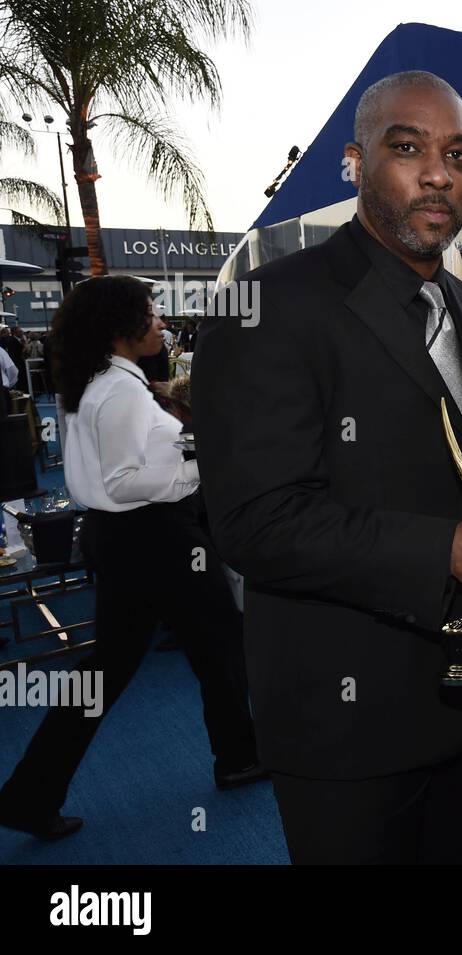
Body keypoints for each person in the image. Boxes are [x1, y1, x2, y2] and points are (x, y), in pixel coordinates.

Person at [192, 71, 462, 865]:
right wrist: (442, 547)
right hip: (347, 727)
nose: (439, 173)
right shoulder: (268, 305)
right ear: (354, 162)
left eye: (459, 153)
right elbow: (255, 521)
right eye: (406, 148)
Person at [0, 276, 262, 842]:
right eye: (150, 313)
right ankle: (239, 758)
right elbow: (123, 483)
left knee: (114, 666)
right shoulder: (119, 391)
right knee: (218, 646)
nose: (162, 322)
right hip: (155, 537)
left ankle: (28, 794)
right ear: (121, 328)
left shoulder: (104, 383)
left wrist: (182, 454)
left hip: (126, 539)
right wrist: (201, 466)